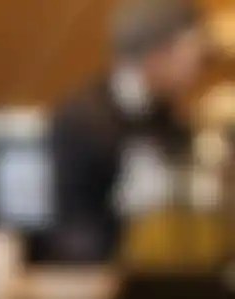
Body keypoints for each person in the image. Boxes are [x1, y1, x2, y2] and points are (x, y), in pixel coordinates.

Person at [49, 0, 209, 263]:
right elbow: (71, 230)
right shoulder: (81, 120)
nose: (199, 64)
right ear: (157, 53)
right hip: (104, 284)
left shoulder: (167, 115)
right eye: (192, 50)